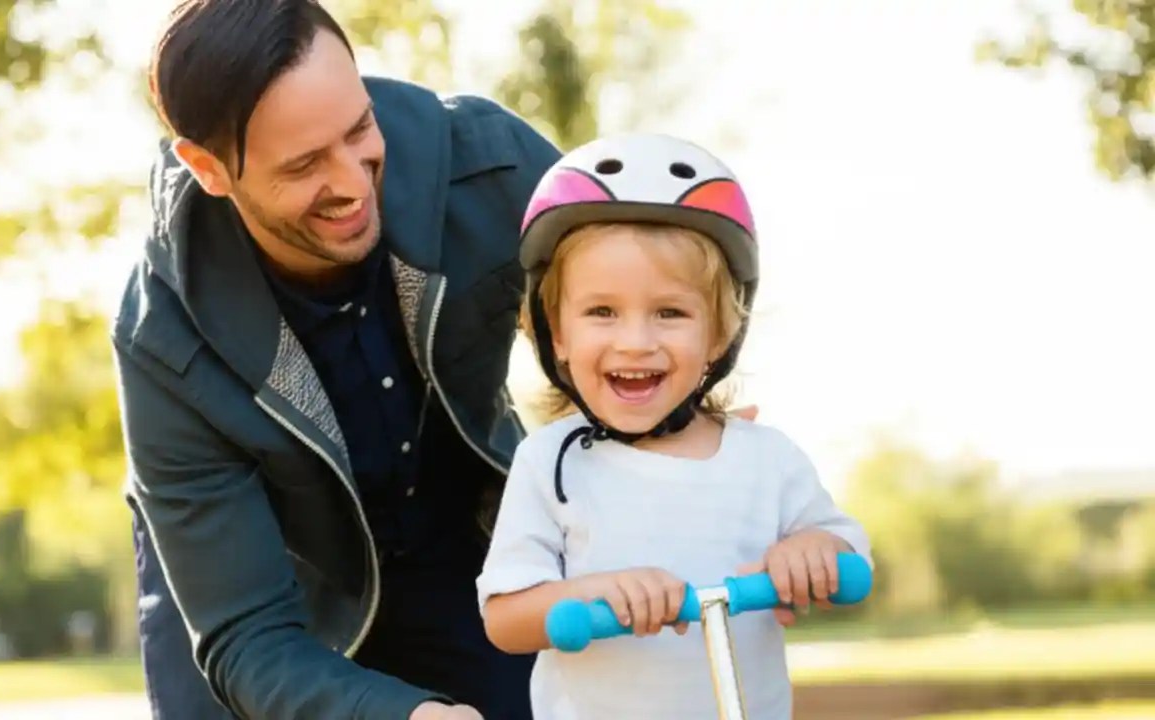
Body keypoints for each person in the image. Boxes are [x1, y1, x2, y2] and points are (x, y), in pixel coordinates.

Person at [111, 1, 568, 718]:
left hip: (459, 544)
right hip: (268, 603)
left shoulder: (490, 167)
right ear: (208, 168)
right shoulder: (162, 343)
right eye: (304, 165)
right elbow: (248, 636)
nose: (354, 184)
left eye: (358, 130)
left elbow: (663, 276)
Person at [474, 133, 873, 719]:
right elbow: (505, 618)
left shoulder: (766, 460)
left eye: (670, 312)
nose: (636, 341)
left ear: (719, 335)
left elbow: (849, 555)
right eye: (602, 312)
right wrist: (592, 593)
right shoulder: (550, 463)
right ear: (556, 332)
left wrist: (812, 552)